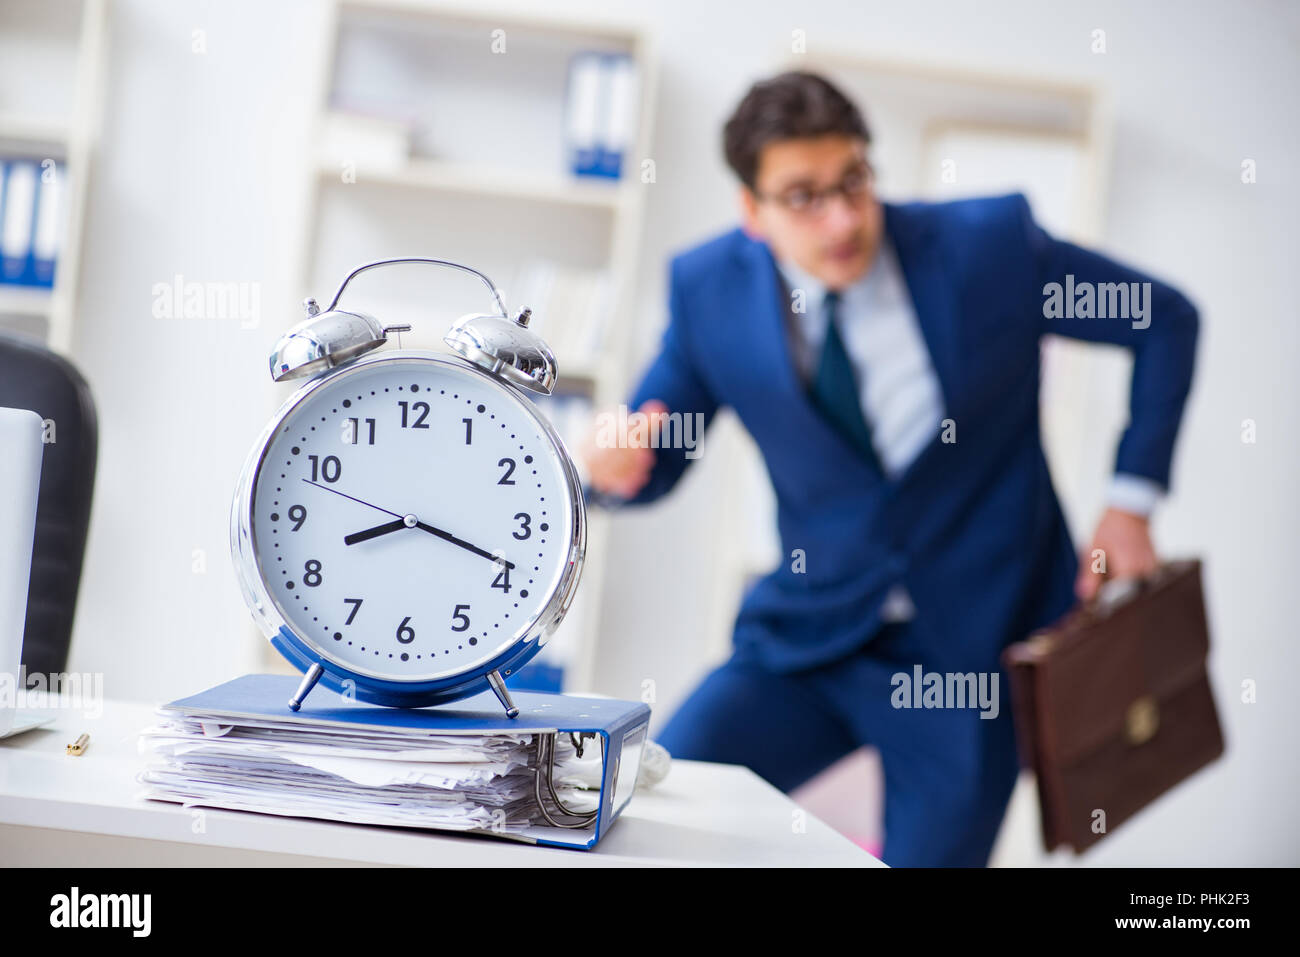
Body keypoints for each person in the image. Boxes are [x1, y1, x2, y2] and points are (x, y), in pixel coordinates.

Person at [580, 71, 1198, 866]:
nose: (842, 220)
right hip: (807, 640)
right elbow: (653, 447)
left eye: (853, 181)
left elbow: (1162, 320)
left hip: (969, 663)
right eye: (804, 196)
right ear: (751, 211)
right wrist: (615, 465)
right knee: (645, 810)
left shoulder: (989, 251)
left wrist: (1131, 503)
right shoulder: (709, 291)